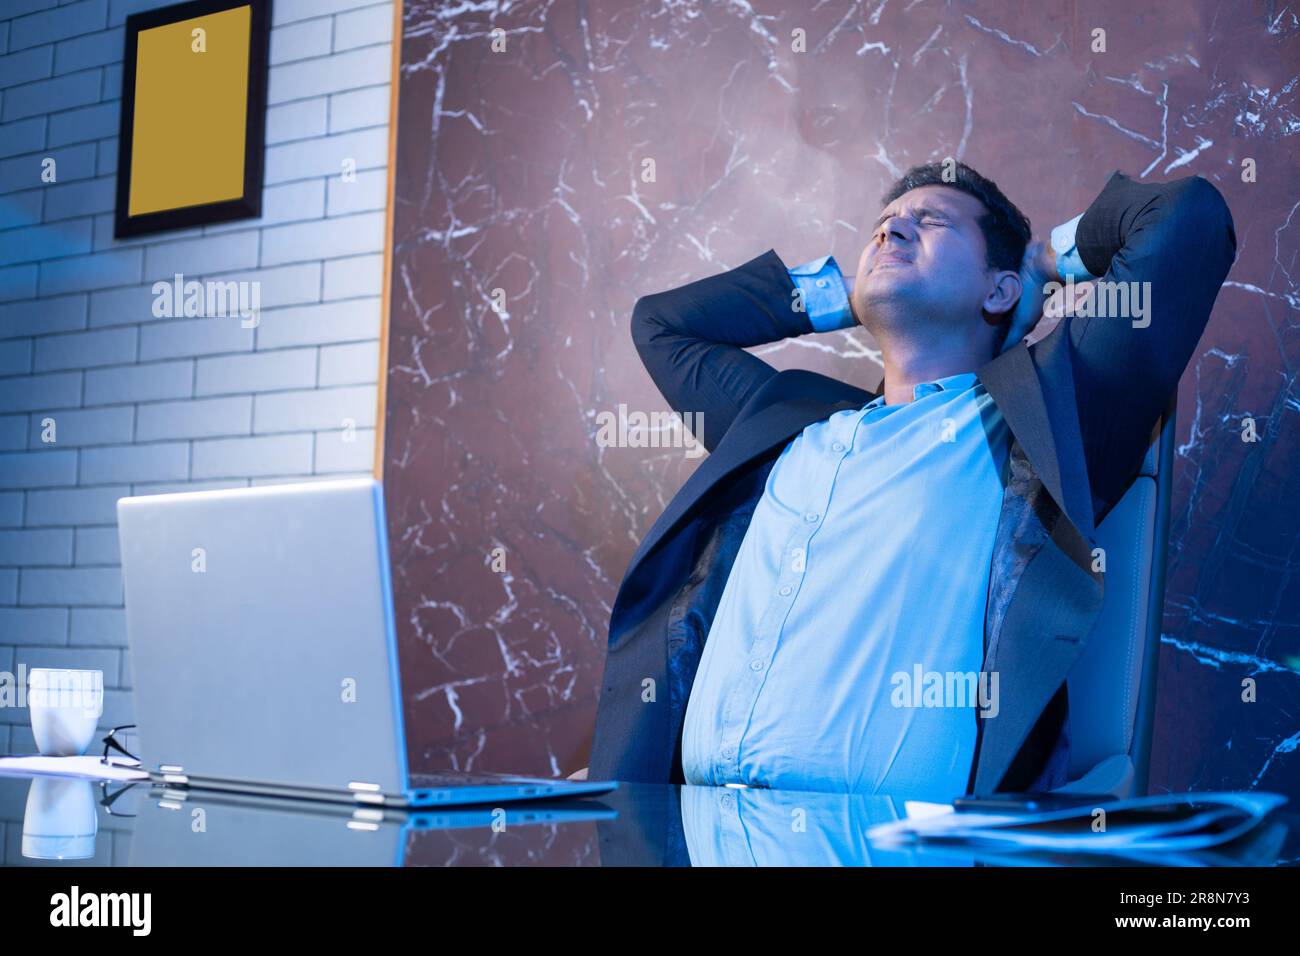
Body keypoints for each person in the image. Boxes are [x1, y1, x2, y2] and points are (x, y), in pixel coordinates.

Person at [575, 162, 1235, 798]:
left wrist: (1042, 263)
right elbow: (661, 326)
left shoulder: (1041, 413)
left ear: (999, 290)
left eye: (931, 220)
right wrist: (846, 294)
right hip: (688, 828)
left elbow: (1187, 220)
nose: (890, 230)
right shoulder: (785, 422)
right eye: (882, 225)